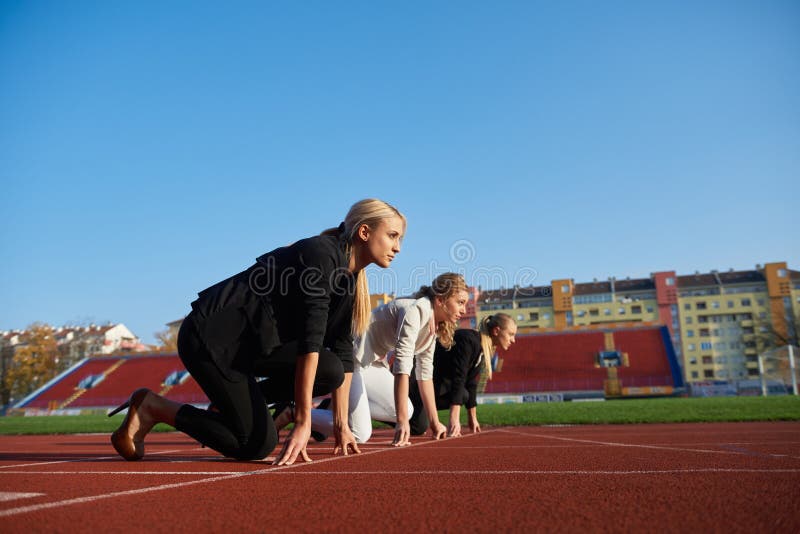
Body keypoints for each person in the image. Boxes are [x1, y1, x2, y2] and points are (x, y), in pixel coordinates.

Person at [108, 198, 406, 465]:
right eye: (392, 236)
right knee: (256, 445)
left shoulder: (349, 281)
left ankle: (231, 405)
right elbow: (310, 342)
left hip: (253, 348)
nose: (398, 247)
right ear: (364, 232)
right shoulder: (321, 255)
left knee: (331, 369)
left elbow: (341, 350)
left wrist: (342, 425)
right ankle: (152, 407)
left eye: (400, 239)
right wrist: (303, 421)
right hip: (211, 339)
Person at [276, 273, 469, 446]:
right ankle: (293, 412)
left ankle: (339, 409)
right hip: (351, 360)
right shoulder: (415, 310)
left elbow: (424, 374)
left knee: (407, 412)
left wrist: (435, 423)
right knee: (360, 433)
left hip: (371, 363)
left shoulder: (433, 326)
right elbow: (402, 367)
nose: (464, 309)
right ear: (441, 300)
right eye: (460, 302)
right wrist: (401, 424)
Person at [409, 313, 517, 437]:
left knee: (419, 427)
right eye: (511, 334)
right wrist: (454, 419)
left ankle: (410, 411)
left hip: (436, 386)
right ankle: (396, 408)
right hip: (417, 383)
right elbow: (458, 378)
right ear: (497, 331)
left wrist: (473, 417)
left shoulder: (481, 348)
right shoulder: (468, 340)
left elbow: (470, 382)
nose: (513, 340)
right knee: (460, 394)